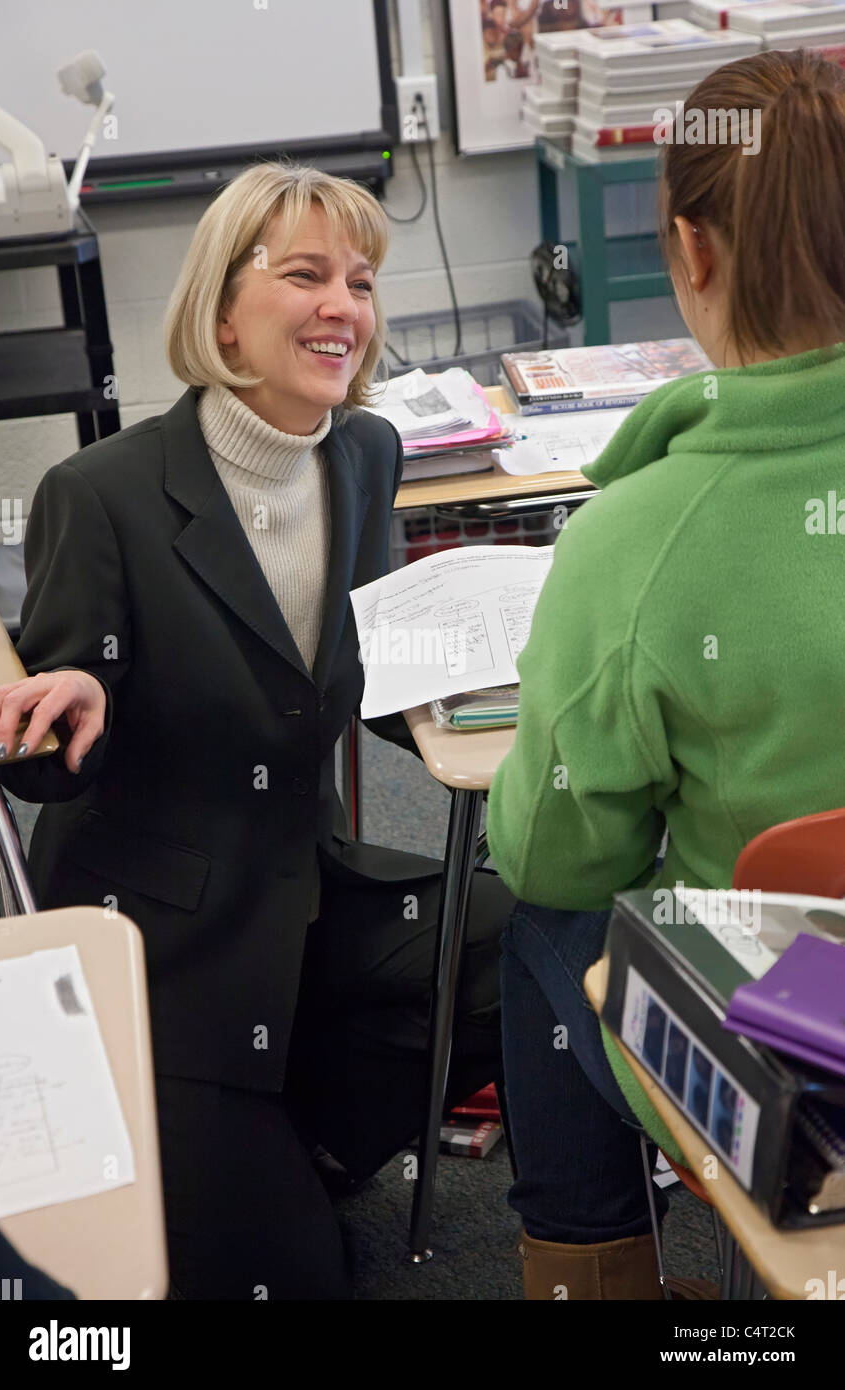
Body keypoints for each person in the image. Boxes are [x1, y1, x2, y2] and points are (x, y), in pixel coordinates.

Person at [0, 162, 510, 1300]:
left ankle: (301, 1119)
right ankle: (245, 1131)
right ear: (223, 306)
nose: (343, 307)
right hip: (163, 947)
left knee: (537, 942)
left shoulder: (361, 455)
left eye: (361, 282)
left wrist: (494, 672)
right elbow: (58, 765)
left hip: (302, 887)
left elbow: (365, 676)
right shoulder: (102, 492)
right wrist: (80, 699)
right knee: (289, 1282)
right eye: (306, 274)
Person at [485, 48, 845, 1299]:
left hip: (797, 1044)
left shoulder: (632, 539)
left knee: (533, 925)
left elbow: (555, 854)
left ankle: (591, 1273)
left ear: (689, 254)